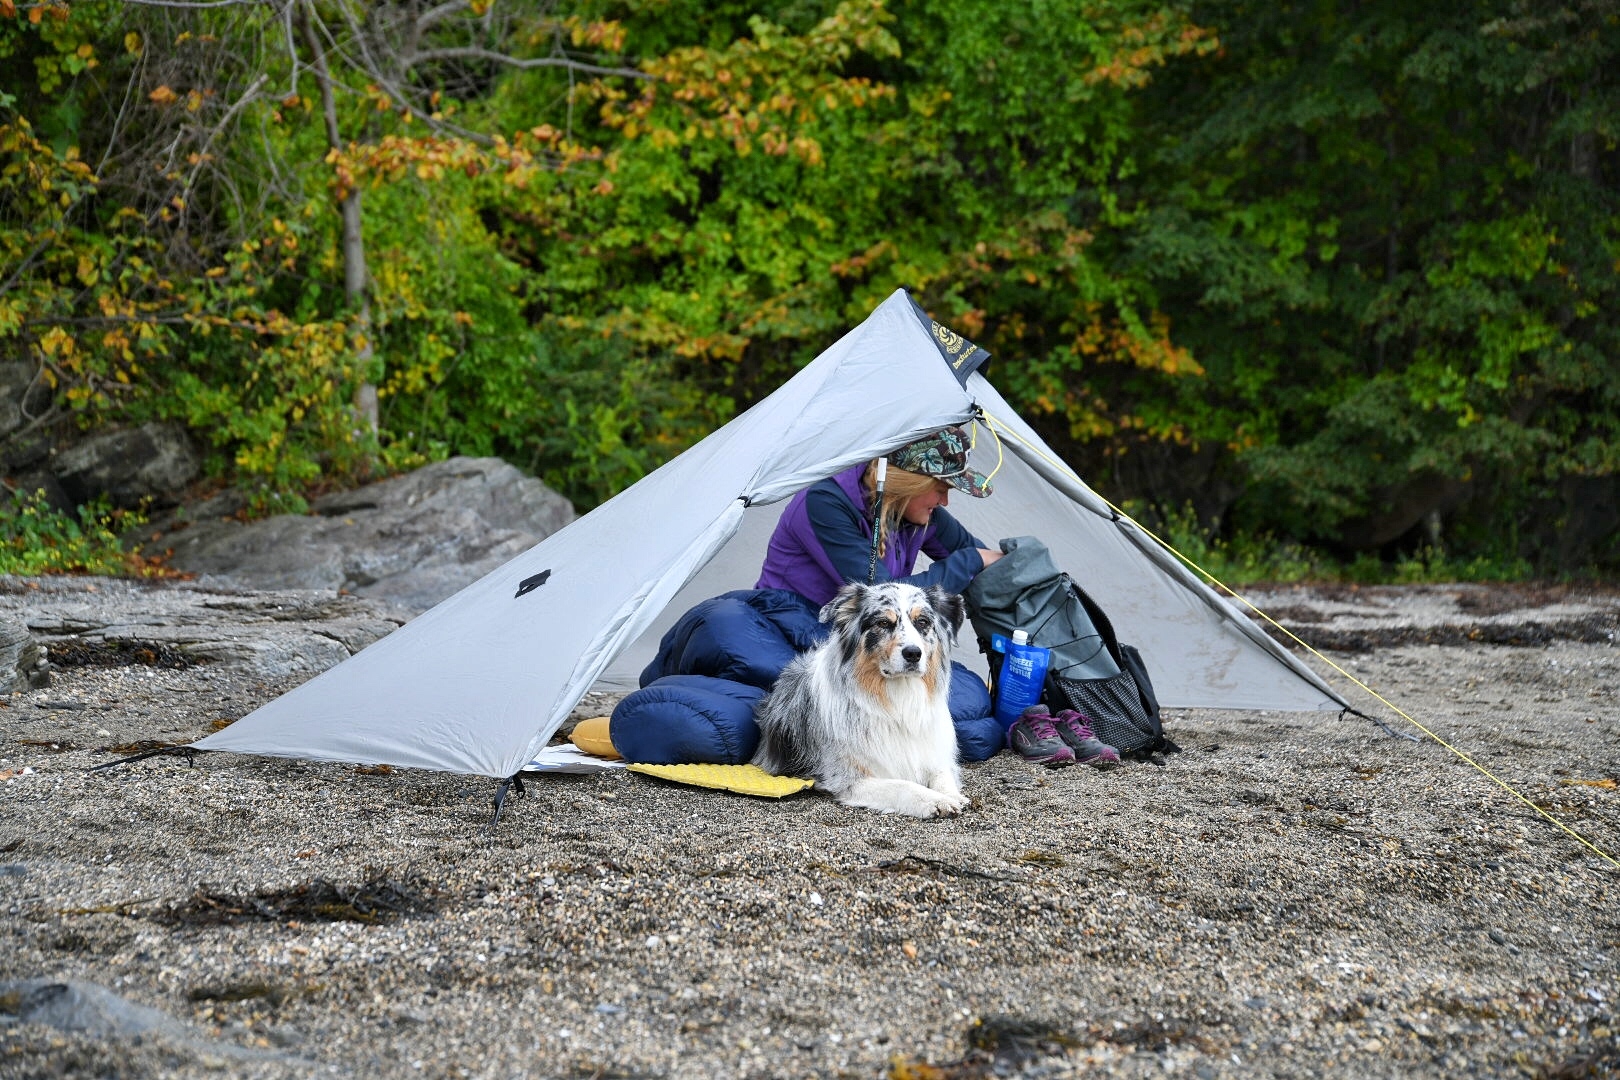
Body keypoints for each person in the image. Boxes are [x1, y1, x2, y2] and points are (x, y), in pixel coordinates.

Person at [756, 426, 1003, 608]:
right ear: (910, 483)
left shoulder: (910, 508)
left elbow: (987, 561)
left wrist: (1019, 561)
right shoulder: (825, 503)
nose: (944, 502)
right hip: (788, 625)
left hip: (855, 639)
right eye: (941, 490)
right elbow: (888, 598)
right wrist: (972, 560)